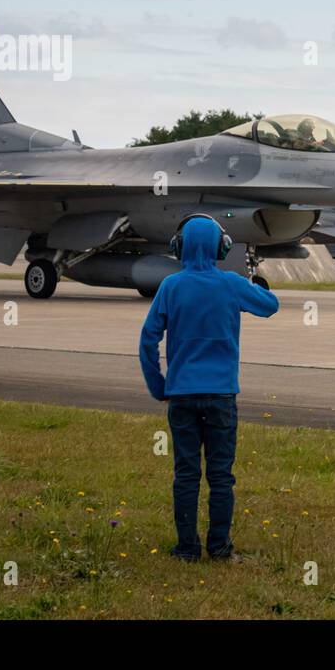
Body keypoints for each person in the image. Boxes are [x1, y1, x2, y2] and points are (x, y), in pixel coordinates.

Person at [139, 214, 280, 561]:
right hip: (220, 396)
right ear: (222, 247)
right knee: (220, 476)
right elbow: (270, 306)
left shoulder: (171, 286)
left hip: (182, 396)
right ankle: (219, 549)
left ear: (179, 248)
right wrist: (251, 283)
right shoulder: (231, 284)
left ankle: (187, 548)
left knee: (185, 474)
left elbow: (147, 341)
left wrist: (160, 386)